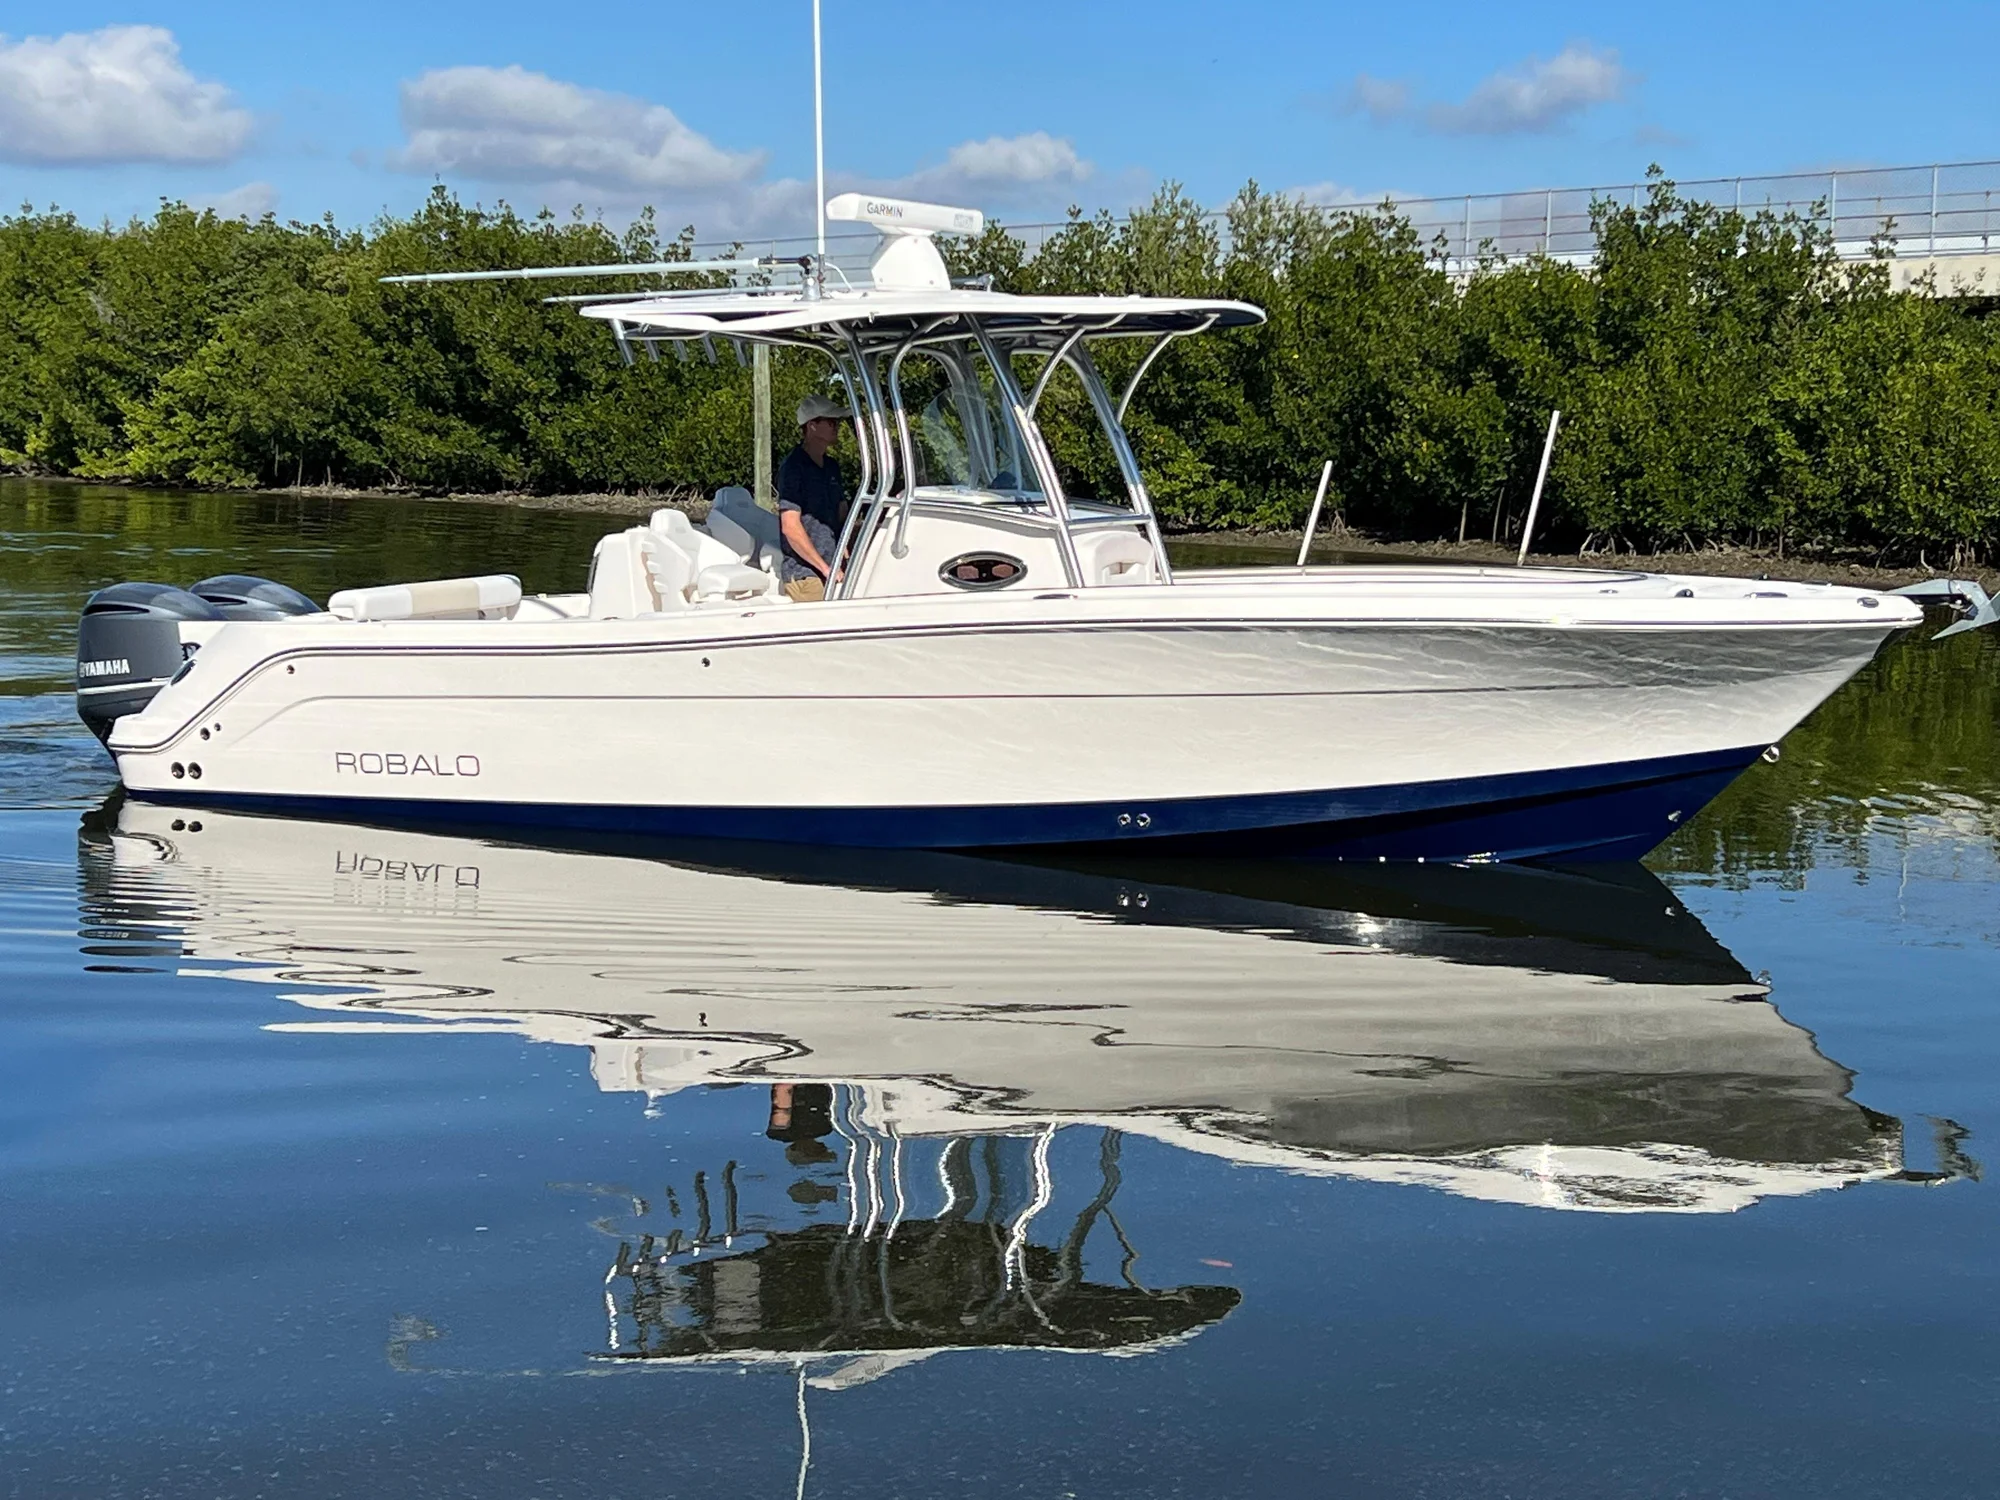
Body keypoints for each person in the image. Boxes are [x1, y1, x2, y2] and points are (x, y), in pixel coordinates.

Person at [776, 394, 851, 602]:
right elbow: (790, 527)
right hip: (806, 575)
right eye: (831, 421)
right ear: (812, 426)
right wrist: (826, 569)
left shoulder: (832, 467)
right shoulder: (792, 468)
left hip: (836, 570)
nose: (837, 427)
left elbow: (841, 514)